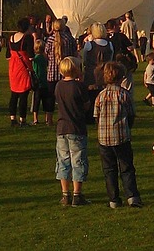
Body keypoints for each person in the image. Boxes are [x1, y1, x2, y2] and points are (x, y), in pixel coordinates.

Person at [95, 61, 142, 208]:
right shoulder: (123, 94)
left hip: (104, 138)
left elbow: (96, 116)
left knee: (109, 170)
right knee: (126, 167)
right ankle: (132, 196)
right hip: (121, 136)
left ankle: (113, 199)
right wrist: (128, 126)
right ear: (121, 77)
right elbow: (131, 113)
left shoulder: (100, 96)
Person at [55, 56, 91, 206]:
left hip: (61, 127)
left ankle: (65, 194)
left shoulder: (58, 86)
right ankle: (77, 194)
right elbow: (86, 105)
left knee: (63, 161)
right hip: (76, 127)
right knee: (78, 161)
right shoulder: (79, 87)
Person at [80, 22, 114, 109]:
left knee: (91, 96)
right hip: (105, 74)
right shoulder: (109, 44)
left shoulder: (89, 44)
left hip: (91, 74)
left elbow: (84, 59)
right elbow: (110, 58)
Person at [31, 39, 51, 124]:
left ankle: (35, 119)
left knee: (36, 102)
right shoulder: (45, 58)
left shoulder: (35, 59)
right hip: (45, 83)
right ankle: (47, 118)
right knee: (46, 101)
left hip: (37, 83)